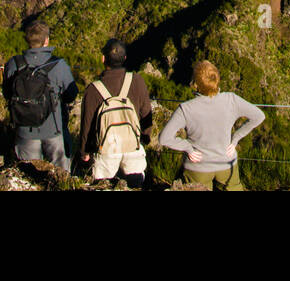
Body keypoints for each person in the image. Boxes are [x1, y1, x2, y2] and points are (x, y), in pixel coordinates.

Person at [159, 60, 264, 191]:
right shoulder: (231, 100)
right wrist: (235, 138)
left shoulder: (186, 109)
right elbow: (259, 116)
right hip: (226, 163)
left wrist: (189, 149)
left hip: (198, 166)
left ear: (196, 84)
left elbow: (164, 139)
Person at [2, 21, 78, 171]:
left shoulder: (14, 64)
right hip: (53, 129)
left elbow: (7, 93)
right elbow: (72, 94)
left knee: (27, 175)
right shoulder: (59, 65)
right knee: (60, 174)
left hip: (24, 129)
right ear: (46, 40)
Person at [79, 38, 152, 188]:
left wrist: (85, 151)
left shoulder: (93, 89)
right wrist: (145, 137)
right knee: (135, 184)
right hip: (132, 145)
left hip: (106, 149)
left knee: (102, 184)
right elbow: (146, 113)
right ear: (125, 58)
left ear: (103, 59)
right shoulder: (137, 81)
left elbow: (87, 124)